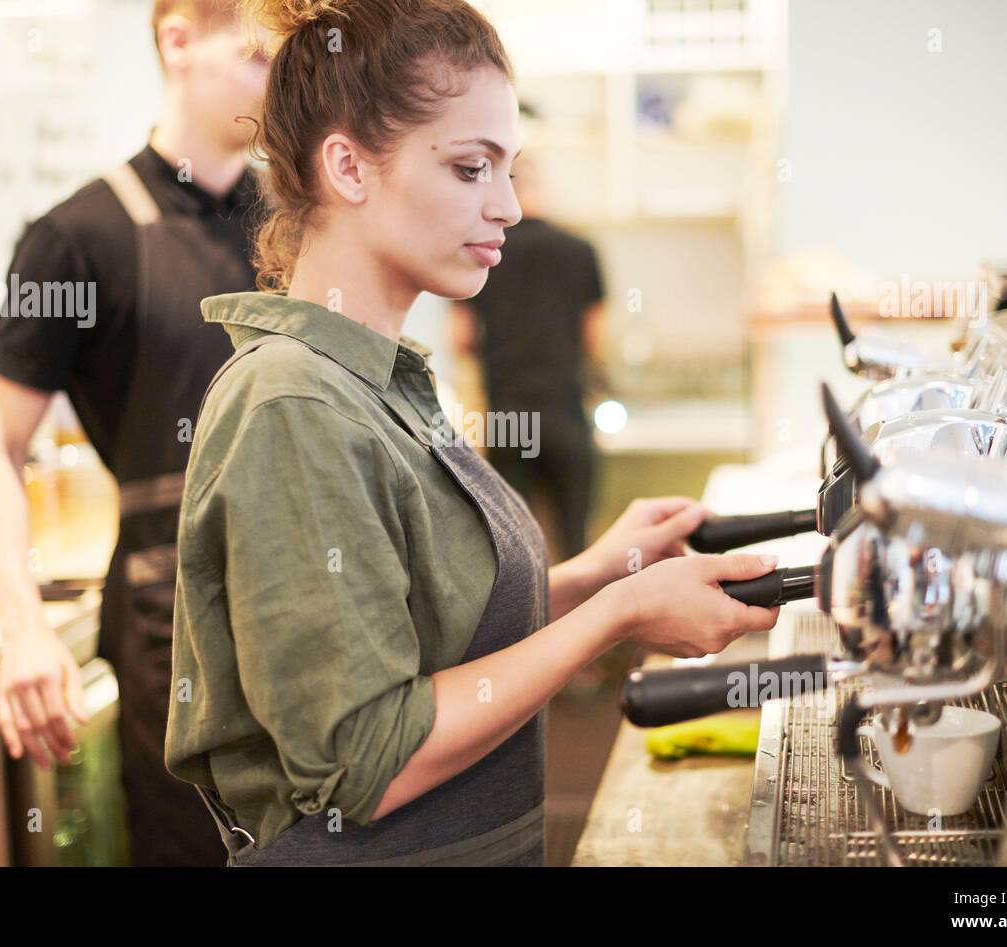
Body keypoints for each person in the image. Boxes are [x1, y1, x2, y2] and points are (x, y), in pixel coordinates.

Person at [164, 0, 779, 867]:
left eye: (509, 170)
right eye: (469, 169)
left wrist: (602, 572)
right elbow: (365, 759)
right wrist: (618, 614)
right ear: (348, 166)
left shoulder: (385, 379)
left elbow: (434, 639)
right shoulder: (294, 407)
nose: (510, 207)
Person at [0, 0, 269, 866]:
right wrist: (22, 629)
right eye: (255, 57)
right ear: (177, 42)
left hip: (306, 589)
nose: (277, 81)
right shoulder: (72, 239)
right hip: (170, 615)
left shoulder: (292, 223)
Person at [449, 148, 605, 560]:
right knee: (576, 544)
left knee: (513, 550)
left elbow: (462, 339)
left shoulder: (483, 252)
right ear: (543, 189)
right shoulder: (580, 249)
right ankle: (584, 621)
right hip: (565, 412)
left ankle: (528, 626)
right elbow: (594, 338)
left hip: (508, 418)